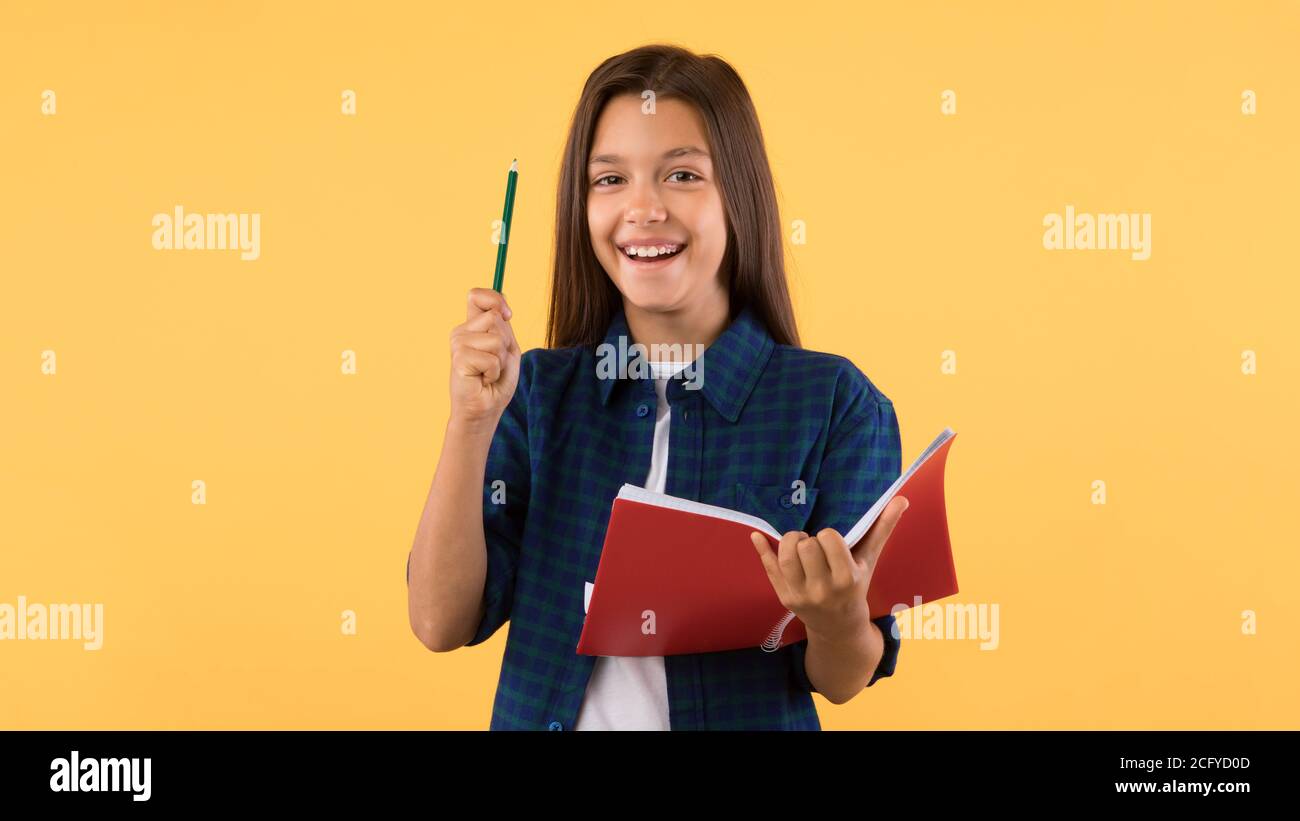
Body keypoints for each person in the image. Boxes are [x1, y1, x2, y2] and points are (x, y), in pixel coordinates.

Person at [407, 44, 910, 730]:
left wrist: (837, 615)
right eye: (610, 180)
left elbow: (842, 677)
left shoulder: (836, 404)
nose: (643, 209)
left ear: (739, 192)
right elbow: (439, 620)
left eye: (680, 174)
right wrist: (470, 423)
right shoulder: (537, 395)